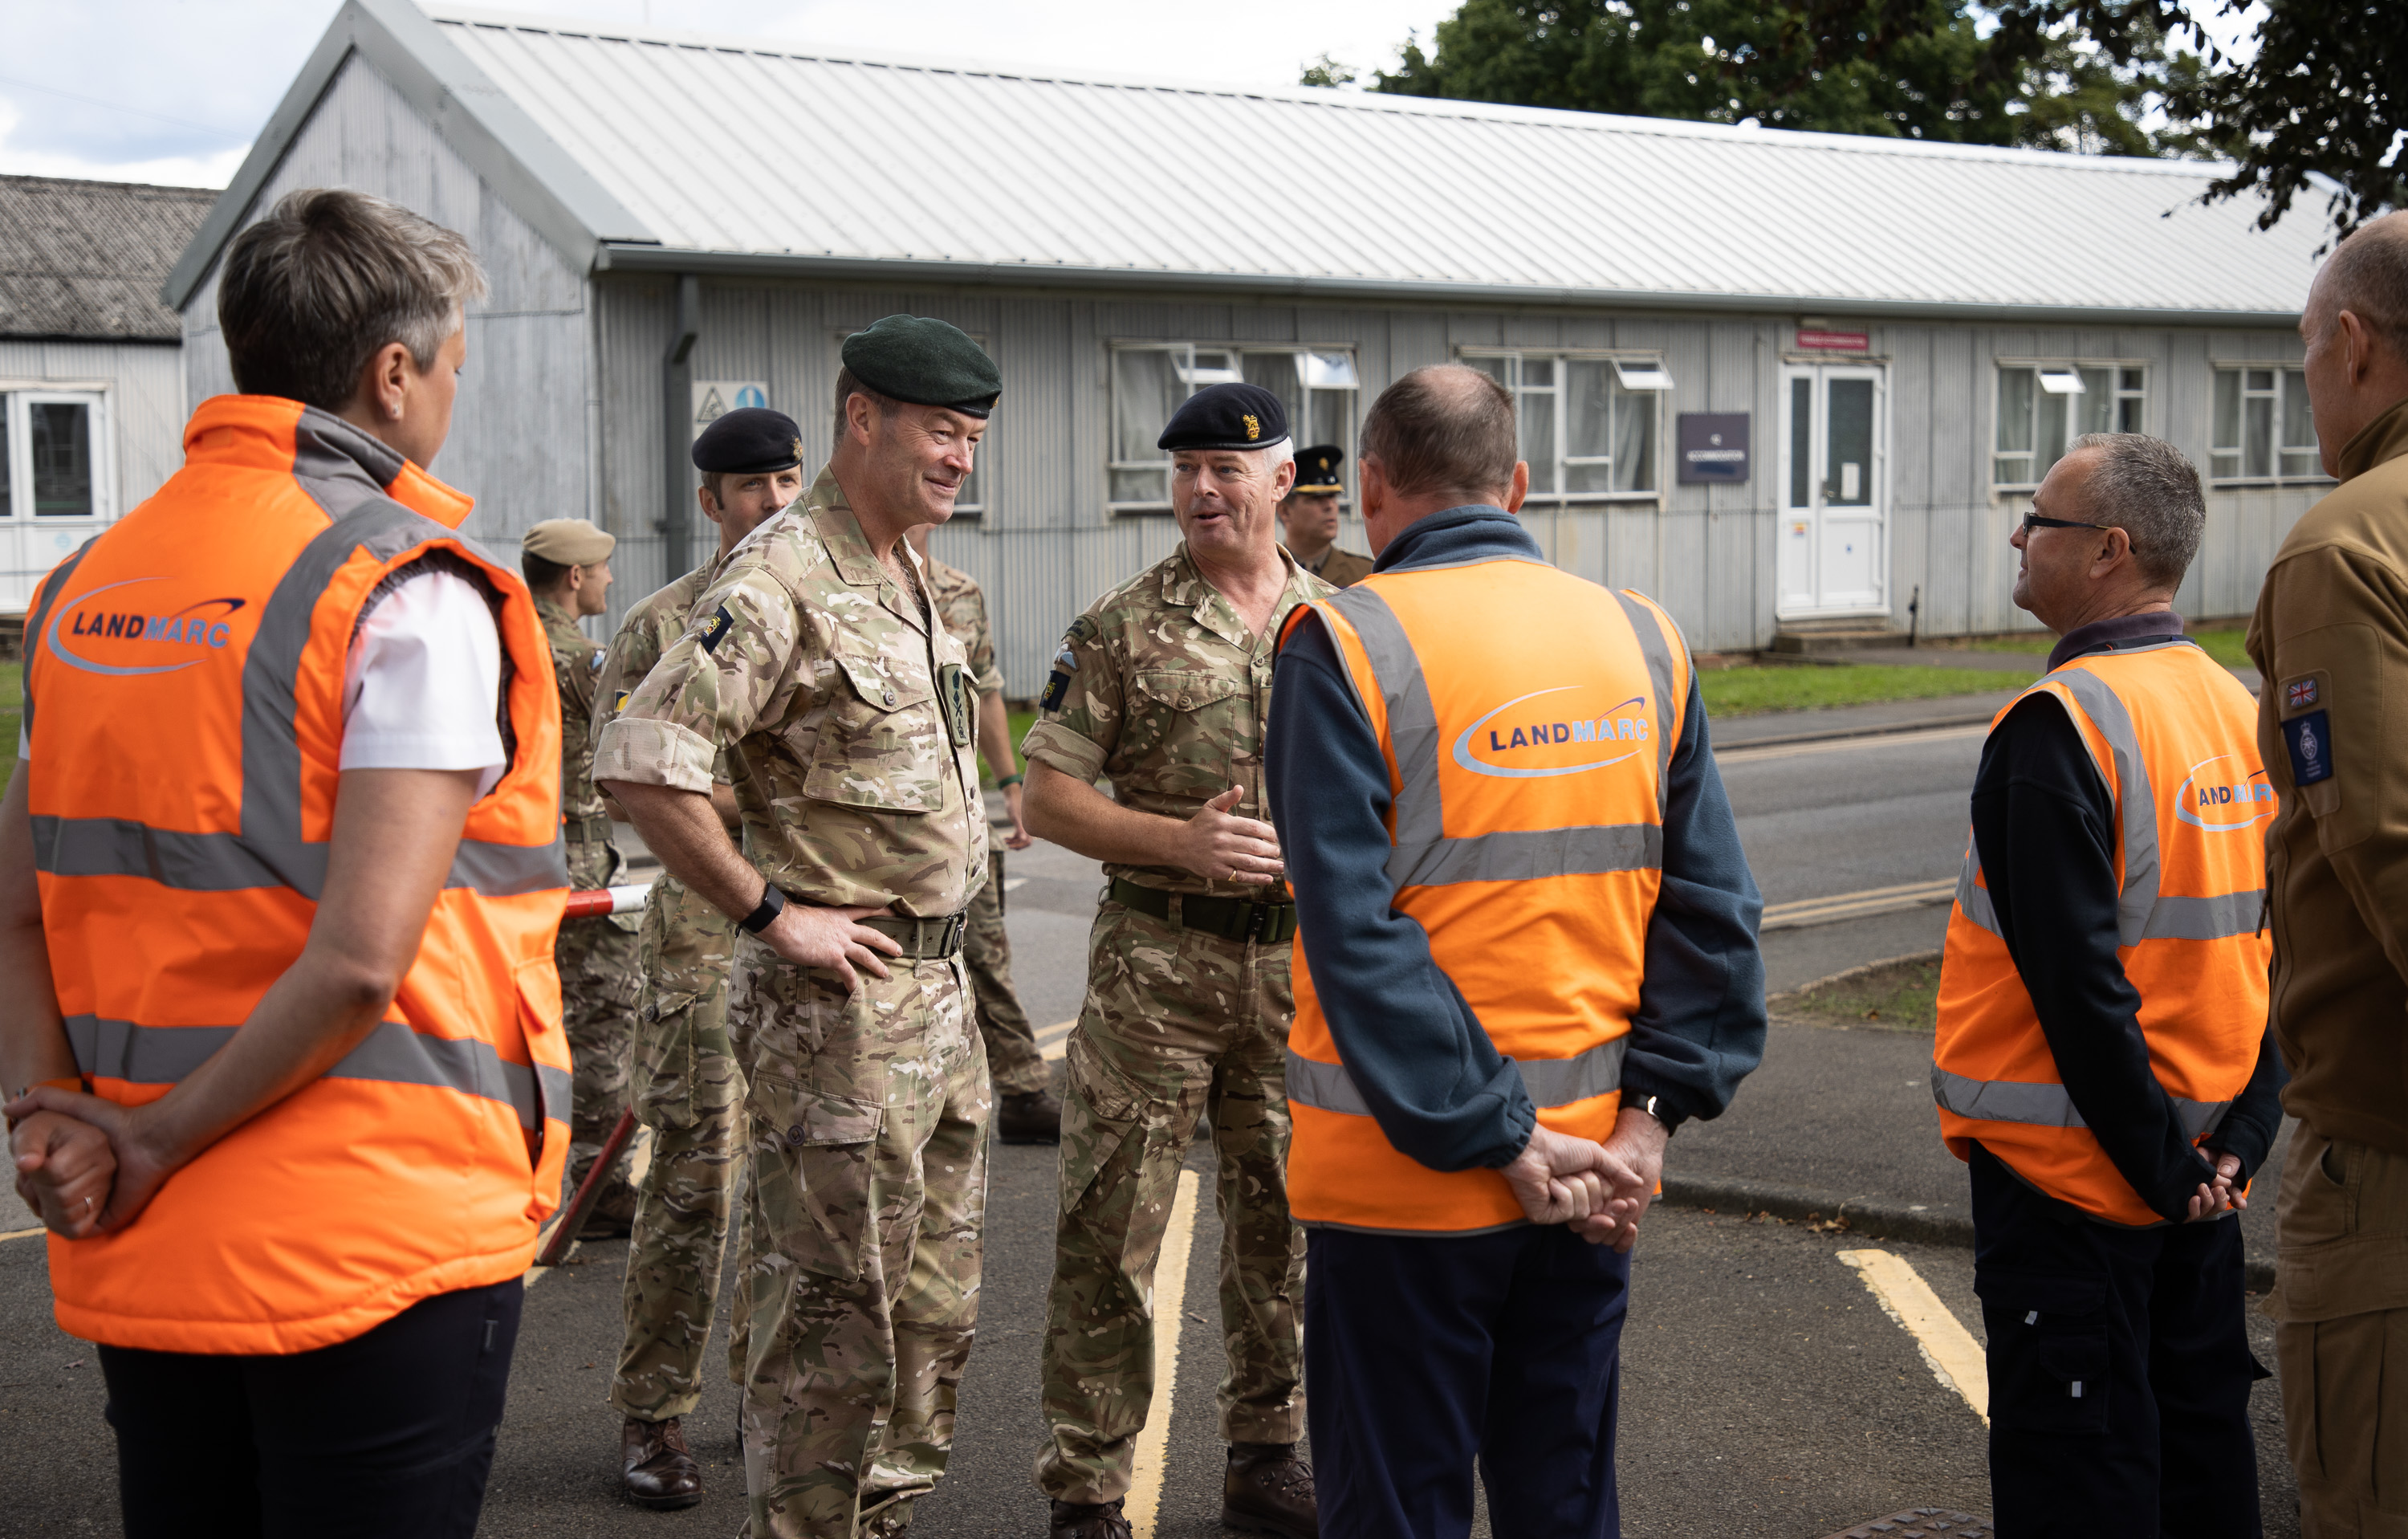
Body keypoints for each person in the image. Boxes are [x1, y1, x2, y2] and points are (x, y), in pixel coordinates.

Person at [0, 187, 567, 1537]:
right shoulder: (408, 590)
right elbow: (362, 962)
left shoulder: (88, 584)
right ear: (392, 374)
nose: (447, 395)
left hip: (145, 1234)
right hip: (370, 1231)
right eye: (449, 367)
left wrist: (50, 1118)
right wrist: (148, 1134)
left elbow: (17, 905)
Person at [1265, 364, 1765, 1539]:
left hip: (1405, 1186)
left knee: (1398, 1510)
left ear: (1374, 485)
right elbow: (1712, 911)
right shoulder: (1644, 639)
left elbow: (1356, 930)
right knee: (1562, 1498)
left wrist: (1496, 1130)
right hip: (1596, 1182)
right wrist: (1645, 1124)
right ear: (1519, 484)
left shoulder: (1337, 640)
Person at [596, 314, 999, 1539]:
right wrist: (774, 914)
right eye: (940, 430)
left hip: (938, 1005)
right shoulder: (783, 574)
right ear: (861, 417)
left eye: (972, 437)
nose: (960, 460)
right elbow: (643, 761)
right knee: (830, 1336)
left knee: (931, 1318)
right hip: (838, 1024)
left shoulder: (914, 570)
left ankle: (878, 1519)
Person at [1934, 434, 2283, 1533]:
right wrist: (2241, 1137)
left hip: (2080, 1188)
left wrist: (2161, 1169)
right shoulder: (2235, 710)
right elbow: (2282, 940)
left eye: (2039, 520)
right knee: (2201, 1466)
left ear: (2109, 553)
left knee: (2080, 1488)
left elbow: (2078, 989)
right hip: (2203, 1174)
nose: (2017, 536)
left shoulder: (2059, 729)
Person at [1022, 381, 1328, 1539]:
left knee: (1285, 1228)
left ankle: (1267, 1451)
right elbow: (1045, 797)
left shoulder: (1335, 623)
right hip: (1158, 971)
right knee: (1112, 1233)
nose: (1202, 489)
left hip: (1297, 978)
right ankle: (1089, 1490)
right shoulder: (1122, 625)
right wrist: (1179, 840)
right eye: (1187, 469)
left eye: (1226, 469)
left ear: (1280, 482)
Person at [599, 406, 804, 1508]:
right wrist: (769, 787)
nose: (773, 504)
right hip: (698, 946)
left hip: (815, 940)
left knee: (800, 1192)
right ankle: (655, 1414)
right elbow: (625, 772)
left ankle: (762, 1396)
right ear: (710, 501)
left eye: (787, 481)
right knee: (692, 1186)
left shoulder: (831, 607)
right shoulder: (660, 624)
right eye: (750, 488)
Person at [2248, 211, 2408, 1538]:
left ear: (2353, 346)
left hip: (2387, 1152)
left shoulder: (2347, 546)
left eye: (2304, 353)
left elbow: (2387, 846)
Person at [905, 523, 1060, 1143]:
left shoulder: (960, 592)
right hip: (887, 824)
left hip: (962, 812)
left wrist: (1010, 785)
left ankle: (1021, 1088)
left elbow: (987, 692)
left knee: (986, 954)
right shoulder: (839, 582)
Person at [524, 515, 641, 1235]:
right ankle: (599, 1186)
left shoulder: (495, 638)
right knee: (599, 1019)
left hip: (502, 855)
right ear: (574, 579)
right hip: (575, 855)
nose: (603, 580)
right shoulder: (578, 658)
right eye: (599, 571)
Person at [1277, 443, 1373, 586]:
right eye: (1316, 498)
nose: (1330, 506)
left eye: (1332, 496)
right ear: (1285, 511)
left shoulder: (1365, 575)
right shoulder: (1262, 575)